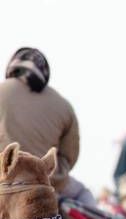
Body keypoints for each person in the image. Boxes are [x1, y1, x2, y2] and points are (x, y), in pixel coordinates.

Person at [0, 47, 80, 195]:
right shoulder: (63, 105)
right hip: (48, 182)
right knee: (83, 193)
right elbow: (69, 157)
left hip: (3, 180)